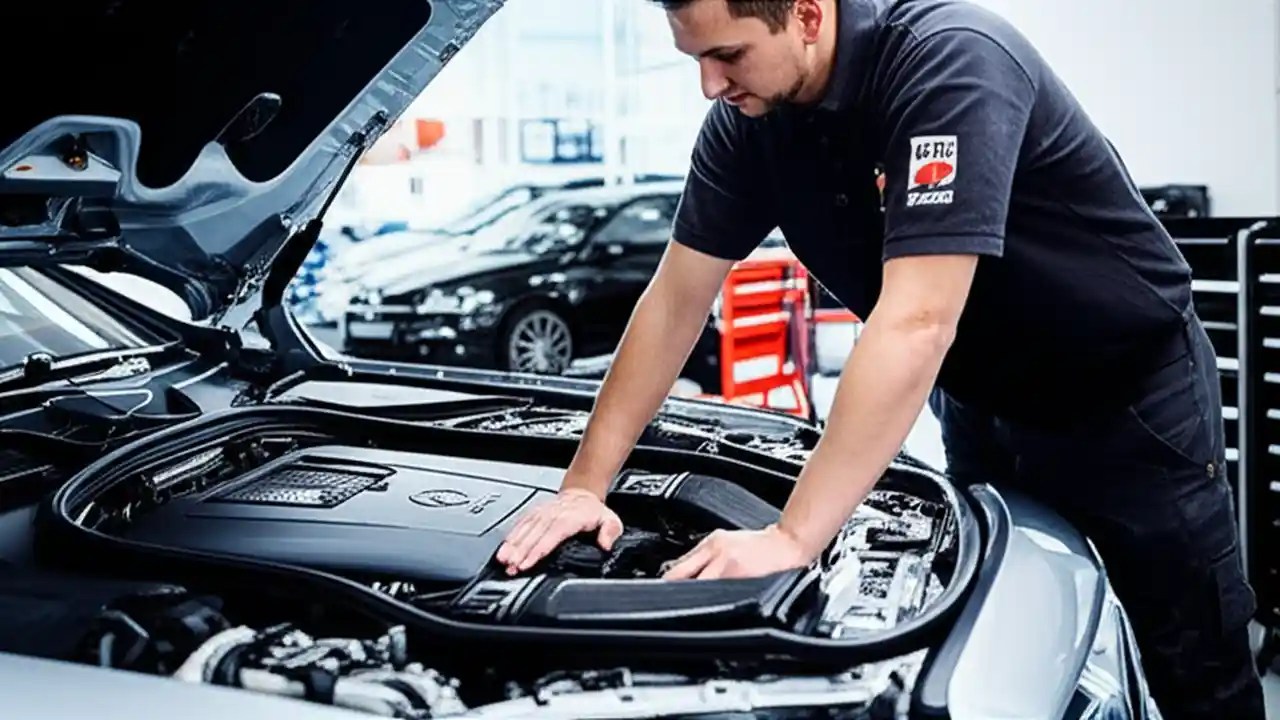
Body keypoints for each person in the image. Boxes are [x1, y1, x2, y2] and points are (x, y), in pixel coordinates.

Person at [495, 0, 1265, 716]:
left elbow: (917, 321)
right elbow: (673, 303)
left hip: (1124, 400)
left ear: (805, 14)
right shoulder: (748, 123)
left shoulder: (950, 63)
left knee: (1192, 660)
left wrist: (795, 539)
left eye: (728, 54)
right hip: (979, 401)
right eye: (694, 58)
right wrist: (584, 487)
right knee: (1002, 640)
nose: (708, 84)